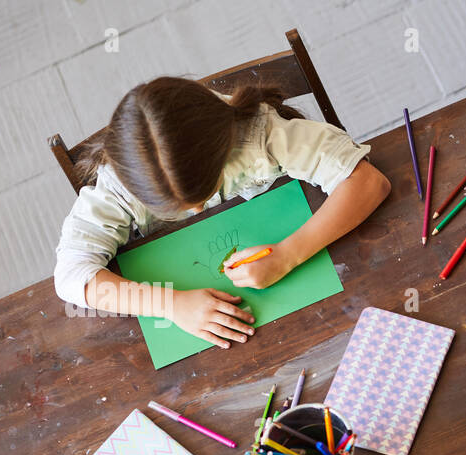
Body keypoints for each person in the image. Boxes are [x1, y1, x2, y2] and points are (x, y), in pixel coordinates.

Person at [52, 76, 390, 347]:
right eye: (174, 207)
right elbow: (70, 277)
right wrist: (169, 305)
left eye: (204, 191)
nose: (198, 209)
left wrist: (289, 254)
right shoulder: (117, 185)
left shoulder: (261, 134)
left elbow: (368, 183)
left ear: (223, 149)